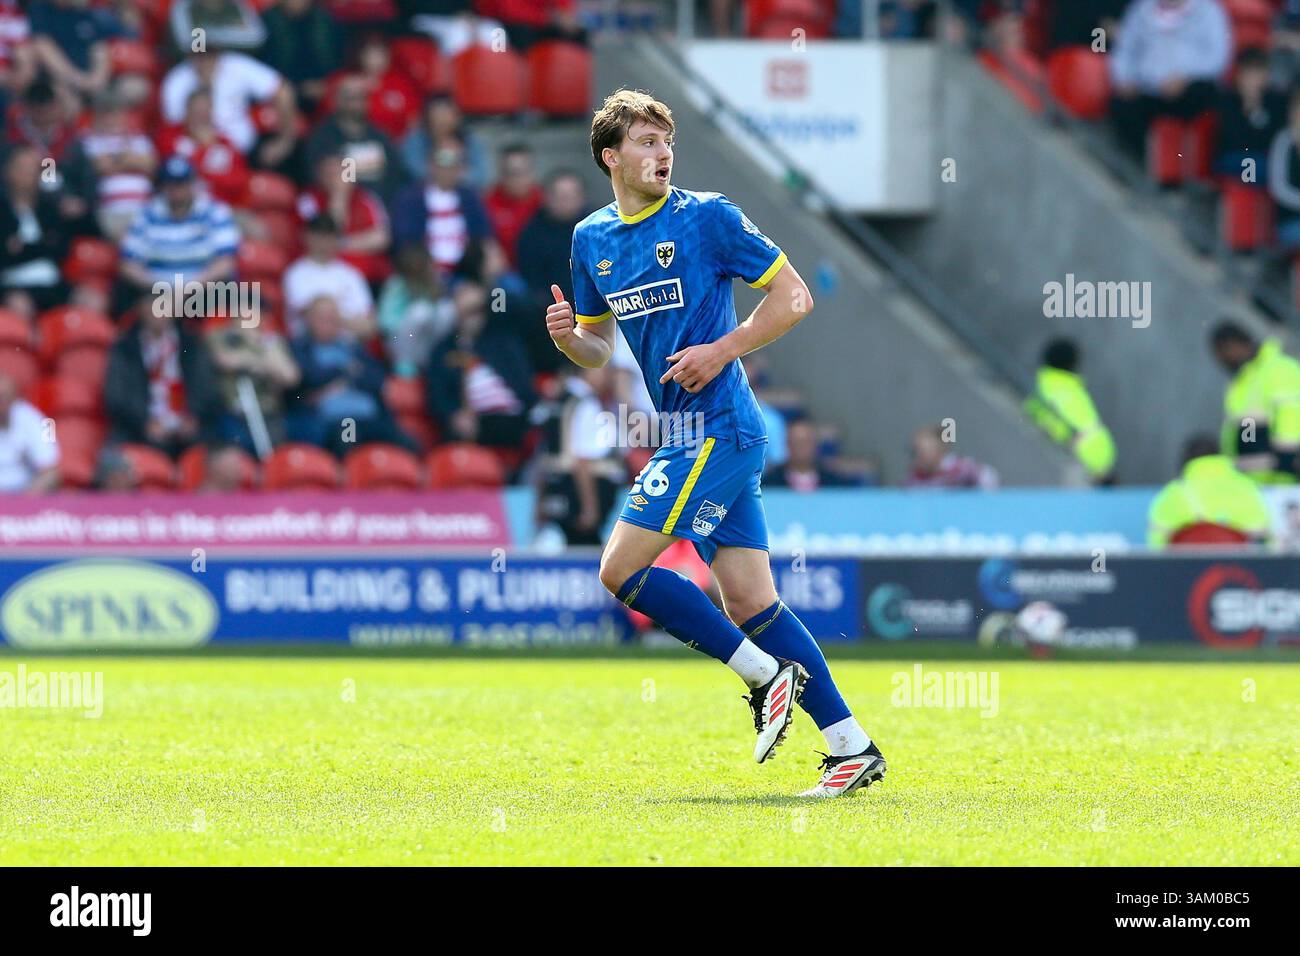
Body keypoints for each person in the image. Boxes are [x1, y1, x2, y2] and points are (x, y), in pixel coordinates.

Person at [545, 89, 885, 798]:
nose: (661, 154)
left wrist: (721, 349)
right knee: (750, 602)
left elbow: (795, 296)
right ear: (611, 156)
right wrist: (567, 339)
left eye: (666, 142)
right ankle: (851, 747)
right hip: (683, 430)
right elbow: (596, 347)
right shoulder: (591, 240)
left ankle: (764, 676)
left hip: (719, 425)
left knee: (619, 569)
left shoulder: (707, 218)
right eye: (644, 142)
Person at [287, 294, 414, 455]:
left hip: (370, 417)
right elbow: (309, 378)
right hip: (340, 420)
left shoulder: (351, 347)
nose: (330, 322)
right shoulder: (300, 348)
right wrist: (347, 371)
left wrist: (338, 381)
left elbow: (377, 378)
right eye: (323, 318)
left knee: (408, 445)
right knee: (348, 442)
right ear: (309, 320)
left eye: (334, 317)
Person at [1107, 0, 1232, 161]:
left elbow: (1218, 57)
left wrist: (1185, 77)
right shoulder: (1141, 8)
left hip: (1188, 89)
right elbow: (1125, 49)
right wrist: (1124, 78)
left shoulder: (1209, 11)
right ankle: (1143, 158)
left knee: (1209, 94)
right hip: (1147, 89)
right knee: (1120, 103)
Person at [104, 294, 221, 458]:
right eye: (152, 305)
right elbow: (116, 396)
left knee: (216, 449)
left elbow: (207, 386)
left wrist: (194, 416)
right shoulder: (125, 348)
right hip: (140, 428)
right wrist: (144, 422)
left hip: (190, 426)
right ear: (140, 309)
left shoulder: (191, 344)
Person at [426, 278, 534, 448]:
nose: (475, 318)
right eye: (469, 312)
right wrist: (453, 415)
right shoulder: (442, 350)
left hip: (513, 416)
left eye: (478, 311)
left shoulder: (501, 341)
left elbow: (527, 310)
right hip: (476, 421)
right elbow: (437, 396)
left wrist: (486, 296)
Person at [119, 155, 240, 302]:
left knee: (243, 299)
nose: (177, 189)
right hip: (156, 292)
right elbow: (128, 265)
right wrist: (161, 288)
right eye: (172, 184)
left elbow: (225, 263)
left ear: (193, 183)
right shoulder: (146, 215)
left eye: (182, 183)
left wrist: (187, 289)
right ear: (162, 185)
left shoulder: (215, 212)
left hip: (203, 291)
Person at [534, 364, 625, 546]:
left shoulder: (557, 401)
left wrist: (541, 501)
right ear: (588, 369)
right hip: (583, 494)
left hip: (557, 490)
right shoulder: (586, 404)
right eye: (605, 369)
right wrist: (590, 507)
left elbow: (546, 453)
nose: (608, 376)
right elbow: (582, 459)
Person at [1211, 320, 1300, 484]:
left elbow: (1291, 420)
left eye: (1223, 352)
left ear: (1235, 344)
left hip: (1283, 483)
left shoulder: (1280, 368)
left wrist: (1288, 464)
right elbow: (1245, 430)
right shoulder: (1242, 381)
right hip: (1253, 484)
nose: (1222, 360)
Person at [1147, 435, 1271, 547]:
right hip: (1238, 570)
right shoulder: (1248, 488)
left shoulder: (1171, 494)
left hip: (1185, 571)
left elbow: (1157, 548)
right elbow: (1265, 543)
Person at [1023, 337, 1117, 484]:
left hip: (1090, 467)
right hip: (1081, 468)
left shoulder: (1052, 386)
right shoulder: (1061, 389)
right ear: (1071, 362)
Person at [0, 143, 70, 316]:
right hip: (12, 285)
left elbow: (61, 249)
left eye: (33, 168)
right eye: (22, 168)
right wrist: (42, 245)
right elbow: (5, 255)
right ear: (6, 171)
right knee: (19, 306)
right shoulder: (3, 210)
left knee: (88, 300)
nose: (29, 174)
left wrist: (22, 247)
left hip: (54, 283)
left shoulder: (49, 210)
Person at [283, 212, 376, 338]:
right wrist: (346, 320)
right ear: (307, 236)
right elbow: (312, 320)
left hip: (349, 347)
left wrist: (330, 317)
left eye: (329, 236)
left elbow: (369, 326)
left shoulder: (351, 274)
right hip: (309, 348)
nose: (324, 242)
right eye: (319, 235)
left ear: (337, 239)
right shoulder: (296, 274)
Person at [377, 242, 453, 377]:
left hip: (424, 344)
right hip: (399, 343)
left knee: (446, 310)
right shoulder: (396, 285)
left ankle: (436, 357)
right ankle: (406, 363)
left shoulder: (434, 282)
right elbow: (386, 323)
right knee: (420, 312)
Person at [1215, 47, 1285, 181]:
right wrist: (1249, 107)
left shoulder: (1275, 101)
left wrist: (1258, 109)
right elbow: (1234, 141)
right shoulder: (1227, 100)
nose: (1255, 80)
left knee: (1268, 166)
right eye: (1250, 74)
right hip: (1233, 158)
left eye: (1259, 74)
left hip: (1264, 158)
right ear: (1240, 76)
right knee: (1254, 165)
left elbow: (1272, 140)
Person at [0, 370, 59, 492]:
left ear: (15, 399)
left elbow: (50, 469)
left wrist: (27, 501)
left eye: (4, 397)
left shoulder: (34, 419)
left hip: (22, 492)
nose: (1, 403)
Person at [766, 418, 853, 492]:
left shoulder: (834, 482)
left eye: (805, 443)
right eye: (796, 443)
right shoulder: (770, 483)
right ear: (787, 445)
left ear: (816, 445)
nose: (800, 448)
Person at [905, 422, 999, 489]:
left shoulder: (962, 470)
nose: (918, 457)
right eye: (915, 452)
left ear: (939, 450)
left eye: (923, 452)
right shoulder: (914, 479)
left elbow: (989, 478)